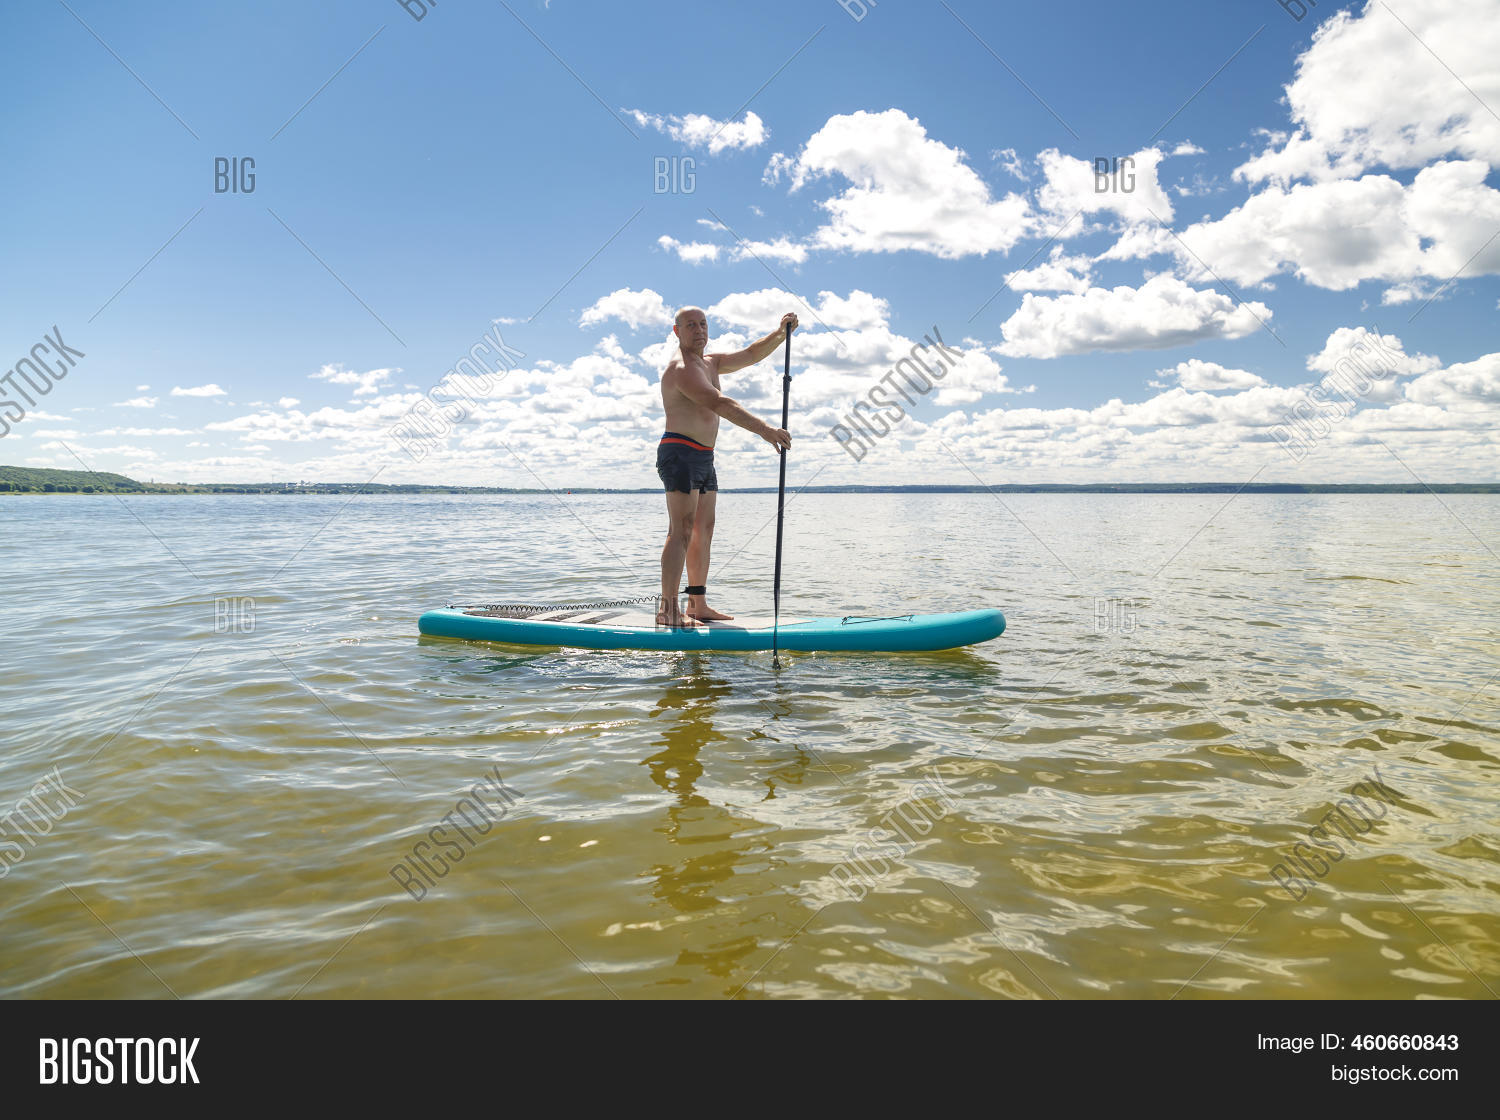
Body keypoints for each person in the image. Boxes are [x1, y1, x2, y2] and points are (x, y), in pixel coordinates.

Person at [656, 306, 796, 627]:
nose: (699, 330)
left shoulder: (711, 362)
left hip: (705, 456)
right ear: (677, 332)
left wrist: (780, 333)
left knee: (703, 530)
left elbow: (750, 354)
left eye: (703, 324)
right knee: (681, 530)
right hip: (679, 452)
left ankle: (697, 604)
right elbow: (719, 402)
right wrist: (766, 430)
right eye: (690, 325)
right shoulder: (681, 369)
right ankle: (667, 610)